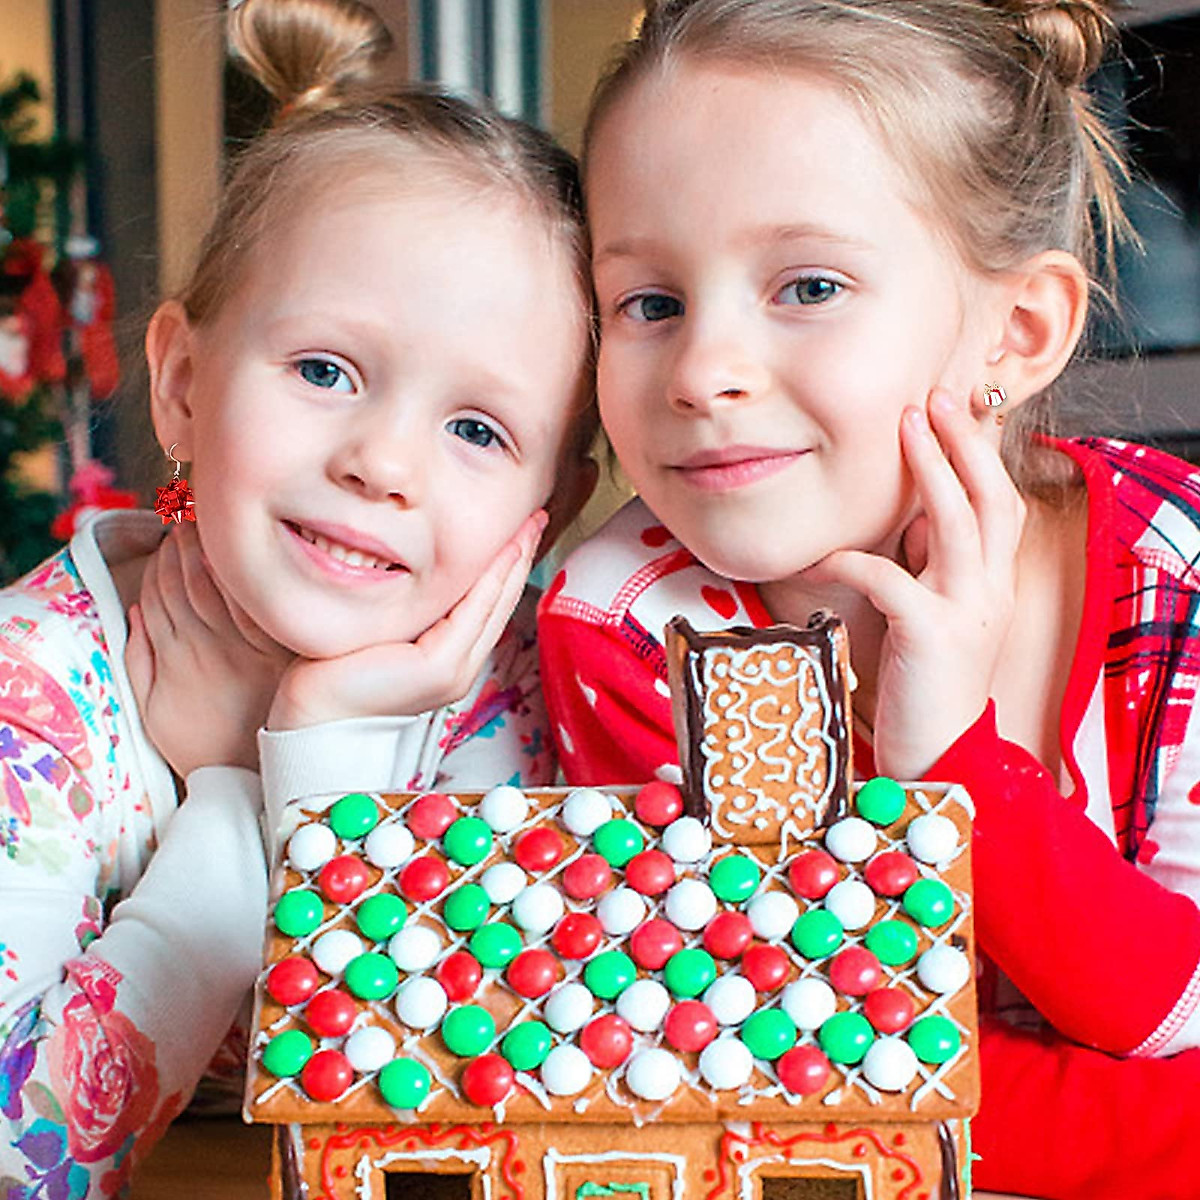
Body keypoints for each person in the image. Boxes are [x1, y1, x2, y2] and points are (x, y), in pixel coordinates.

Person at [538, 1, 1200, 1196]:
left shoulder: (1178, 568)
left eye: (809, 286)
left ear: (1016, 331)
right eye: (650, 303)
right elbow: (761, 1068)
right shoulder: (628, 628)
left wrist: (954, 760)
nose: (701, 371)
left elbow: (1173, 1008)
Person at [0, 0, 595, 1192]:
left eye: (478, 429)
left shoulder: (524, 694)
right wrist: (236, 812)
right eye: (325, 370)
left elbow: (478, 1111)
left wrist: (315, 760)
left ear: (557, 503)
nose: (382, 463)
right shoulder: (35, 700)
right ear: (181, 383)